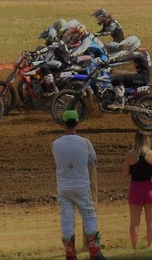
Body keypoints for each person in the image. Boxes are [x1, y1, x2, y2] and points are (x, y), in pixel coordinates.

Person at [52, 108, 107, 260]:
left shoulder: (56, 144)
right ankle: (95, 253)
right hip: (82, 186)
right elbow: (93, 161)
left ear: (63, 123)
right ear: (77, 122)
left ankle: (70, 254)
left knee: (67, 218)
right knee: (89, 216)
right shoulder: (85, 143)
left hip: (63, 186)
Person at [122, 129, 152, 249]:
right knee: (150, 222)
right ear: (147, 140)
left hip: (135, 189)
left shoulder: (130, 155)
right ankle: (149, 247)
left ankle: (134, 247)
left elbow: (125, 174)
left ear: (135, 140)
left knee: (134, 222)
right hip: (149, 189)